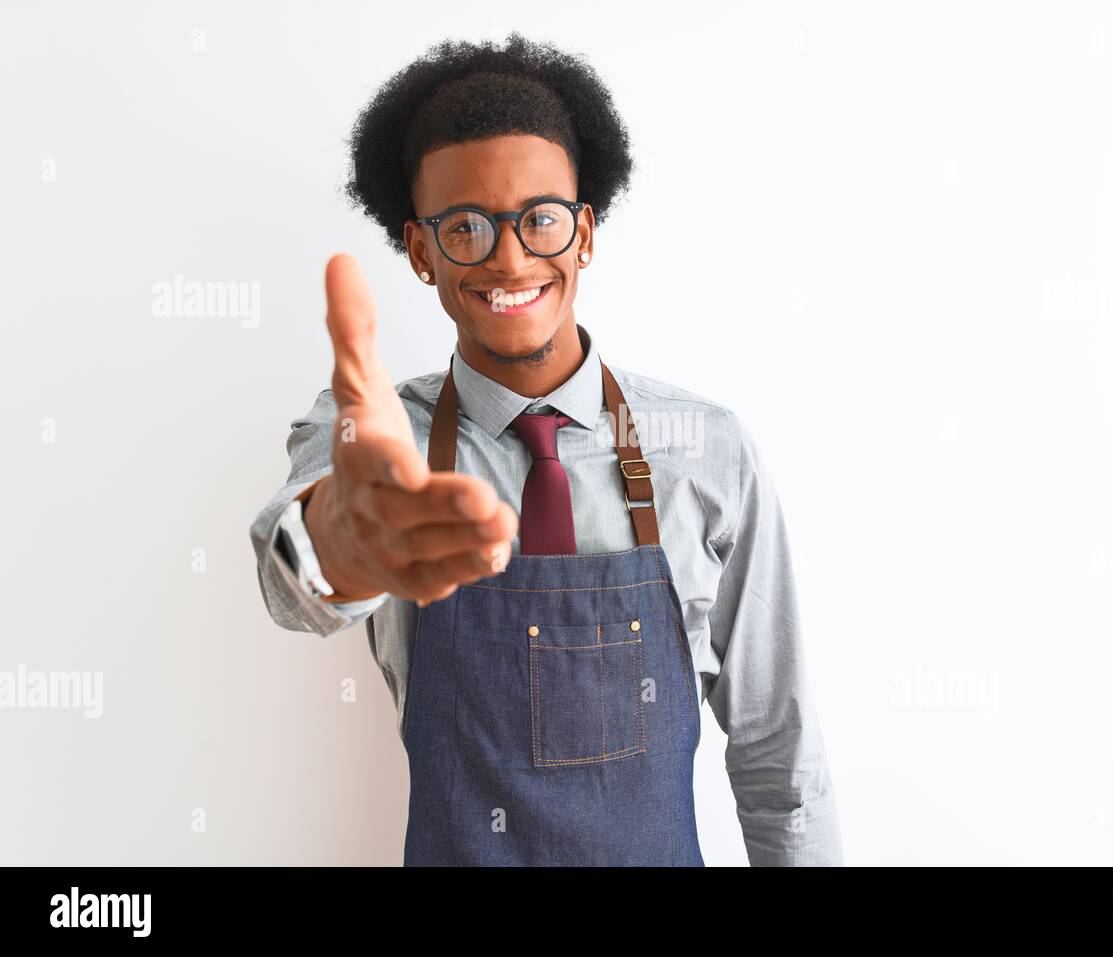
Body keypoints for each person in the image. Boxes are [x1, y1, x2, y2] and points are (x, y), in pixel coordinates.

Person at [250, 33, 841, 866]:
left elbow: (780, 754)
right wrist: (348, 541)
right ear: (420, 251)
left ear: (585, 232)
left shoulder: (707, 451)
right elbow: (294, 584)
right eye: (465, 226)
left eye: (540, 218)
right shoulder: (375, 436)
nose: (509, 256)